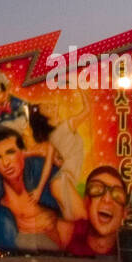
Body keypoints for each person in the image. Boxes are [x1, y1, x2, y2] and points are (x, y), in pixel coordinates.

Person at [0, 124, 66, 251]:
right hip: (17, 251)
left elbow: (72, 212)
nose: (5, 163)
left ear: (23, 153)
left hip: (58, 252)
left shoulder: (42, 170)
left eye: (10, 152)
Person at [20, 92, 89, 222]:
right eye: (46, 107)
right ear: (44, 117)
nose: (52, 106)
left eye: (50, 104)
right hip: (61, 180)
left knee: (73, 223)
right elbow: (87, 110)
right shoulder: (66, 126)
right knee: (82, 220)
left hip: (63, 180)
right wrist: (82, 90)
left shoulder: (54, 136)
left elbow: (50, 160)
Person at [54, 166, 129, 257]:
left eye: (117, 195)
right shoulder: (66, 234)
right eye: (97, 190)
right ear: (86, 203)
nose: (107, 199)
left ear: (124, 213)